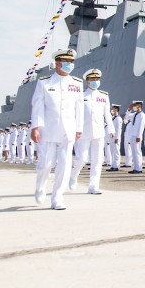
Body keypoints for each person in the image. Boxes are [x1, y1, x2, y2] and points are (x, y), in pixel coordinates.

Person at [30, 48, 84, 210]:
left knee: (64, 165)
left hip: (68, 130)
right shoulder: (44, 82)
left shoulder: (77, 84)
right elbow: (37, 106)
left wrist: (79, 128)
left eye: (71, 62)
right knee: (46, 164)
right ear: (58, 63)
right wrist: (35, 127)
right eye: (66, 62)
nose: (69, 65)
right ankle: (40, 187)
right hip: (48, 130)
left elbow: (79, 108)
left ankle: (57, 198)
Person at [70, 68, 112, 195]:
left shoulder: (103, 96)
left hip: (99, 132)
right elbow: (74, 114)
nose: (95, 81)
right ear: (87, 81)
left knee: (97, 160)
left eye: (97, 79)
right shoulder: (81, 96)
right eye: (93, 79)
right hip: (83, 132)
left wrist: (111, 128)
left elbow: (107, 114)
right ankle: (73, 175)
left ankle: (93, 186)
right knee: (81, 159)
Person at [125, 100, 145, 174]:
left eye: (135, 105)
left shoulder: (142, 115)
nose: (134, 107)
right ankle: (135, 167)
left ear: (139, 106)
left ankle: (139, 168)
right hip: (132, 135)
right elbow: (127, 117)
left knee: (137, 152)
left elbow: (141, 127)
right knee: (134, 152)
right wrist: (129, 109)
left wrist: (139, 136)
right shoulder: (134, 114)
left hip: (137, 136)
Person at [106, 104, 122, 172]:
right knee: (112, 152)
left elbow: (118, 129)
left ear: (116, 110)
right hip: (112, 137)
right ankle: (113, 165)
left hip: (115, 138)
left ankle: (116, 166)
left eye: (113, 109)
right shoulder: (113, 118)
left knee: (116, 152)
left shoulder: (118, 119)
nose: (112, 110)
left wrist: (117, 138)